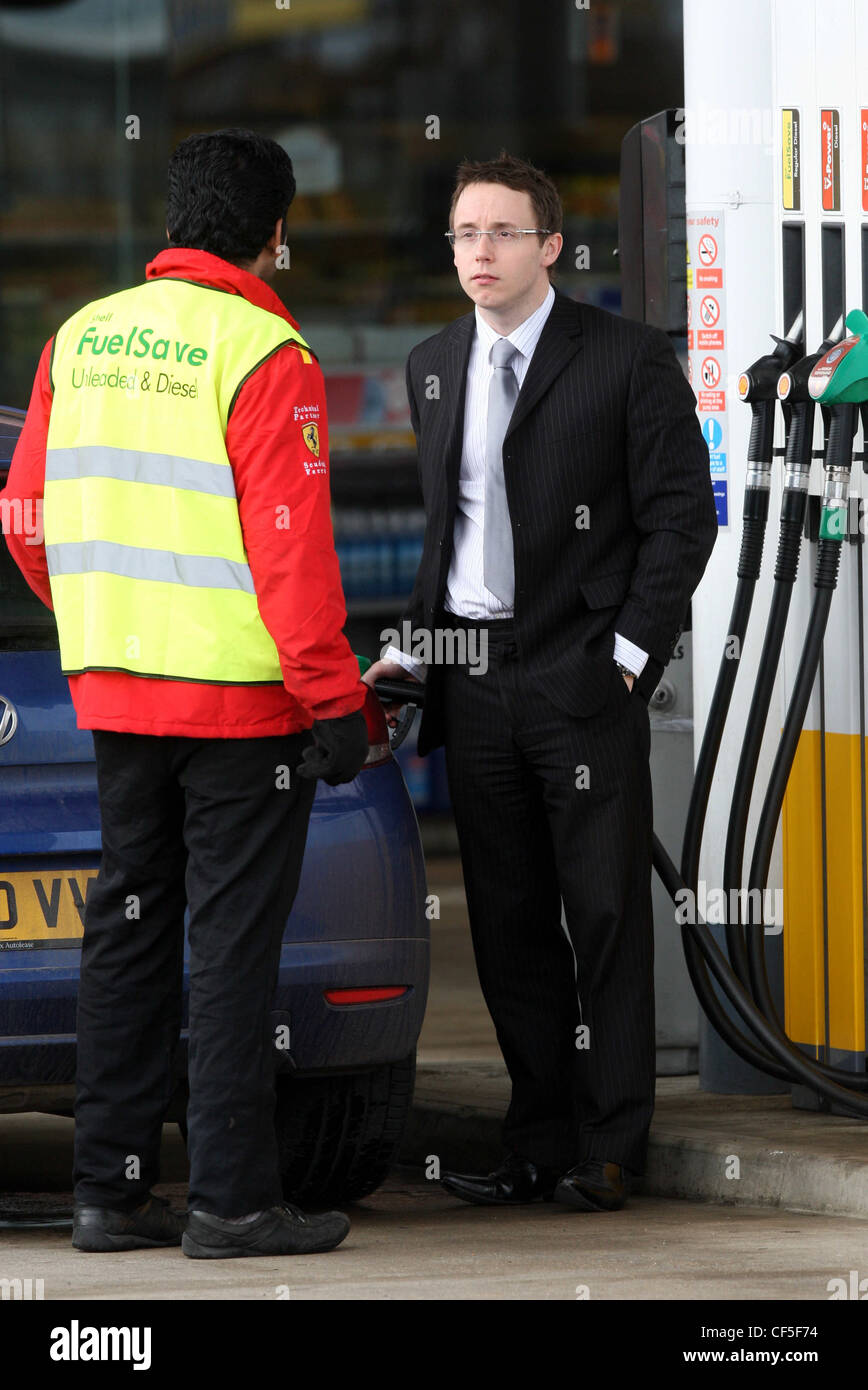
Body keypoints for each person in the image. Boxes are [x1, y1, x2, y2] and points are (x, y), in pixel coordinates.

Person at [1, 128, 369, 1257]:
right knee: (229, 949)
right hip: (241, 708)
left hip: (115, 698)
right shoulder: (265, 349)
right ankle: (231, 1201)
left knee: (121, 928)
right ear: (275, 233)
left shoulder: (81, 337)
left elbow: (23, 514)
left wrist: (100, 620)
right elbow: (289, 550)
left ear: (172, 219)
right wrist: (336, 700)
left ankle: (107, 1193)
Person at [364, 152, 717, 1213]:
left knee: (602, 912)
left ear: (551, 245)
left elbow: (681, 517)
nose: (480, 251)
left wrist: (624, 656)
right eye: (466, 234)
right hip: (472, 678)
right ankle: (535, 1139)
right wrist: (411, 650)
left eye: (503, 233)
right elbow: (450, 541)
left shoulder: (620, 359)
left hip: (580, 674)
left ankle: (610, 1144)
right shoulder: (433, 366)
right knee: (508, 922)